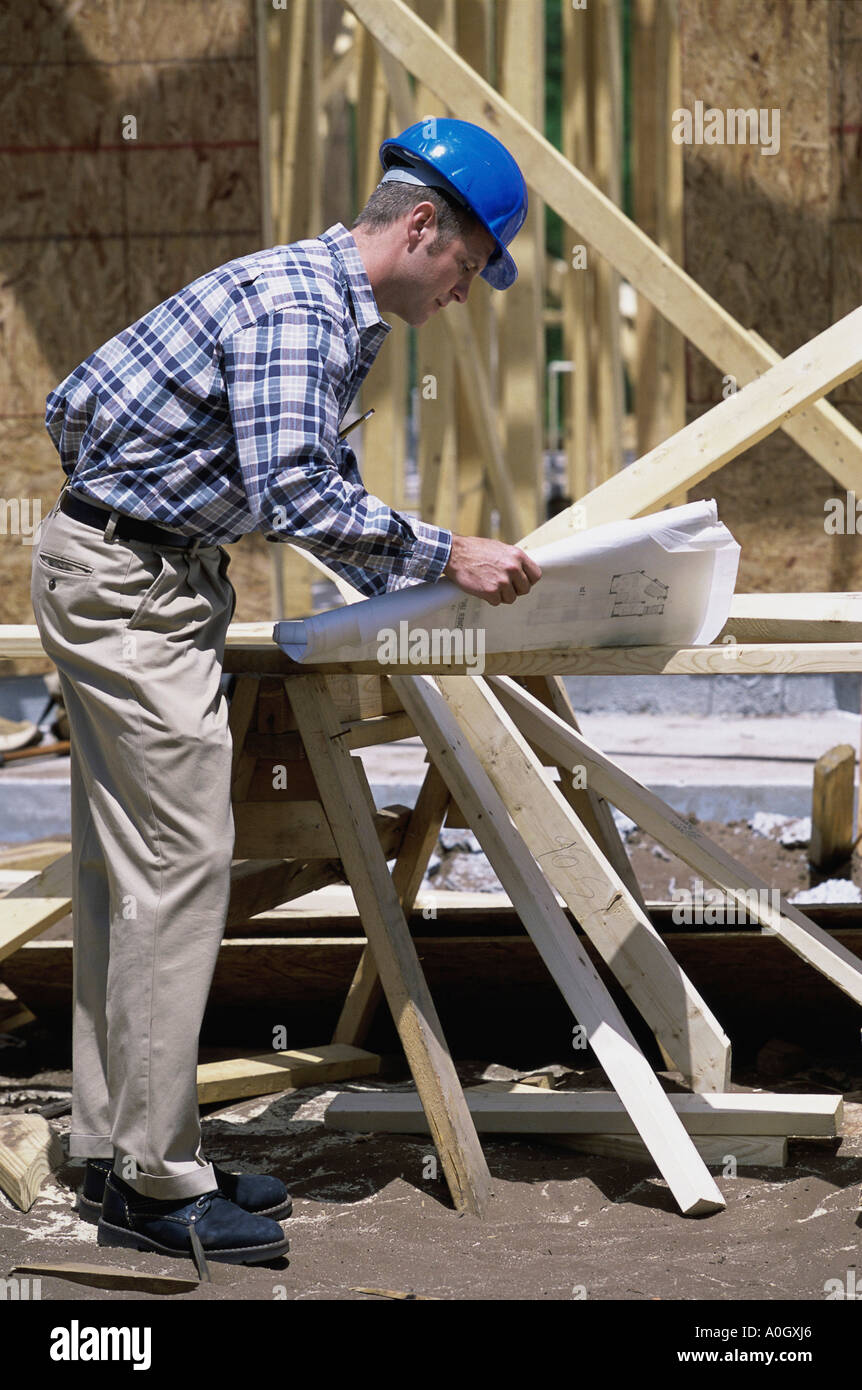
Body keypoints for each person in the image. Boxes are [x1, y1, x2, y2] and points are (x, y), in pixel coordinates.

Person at [30, 118, 542, 1266]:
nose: (465, 293)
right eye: (470, 264)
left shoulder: (315, 300)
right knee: (177, 867)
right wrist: (449, 554)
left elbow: (76, 405)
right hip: (134, 583)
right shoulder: (303, 309)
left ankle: (123, 1150)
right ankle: (156, 1188)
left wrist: (403, 578)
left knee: (131, 874)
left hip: (140, 570)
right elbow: (298, 492)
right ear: (422, 225)